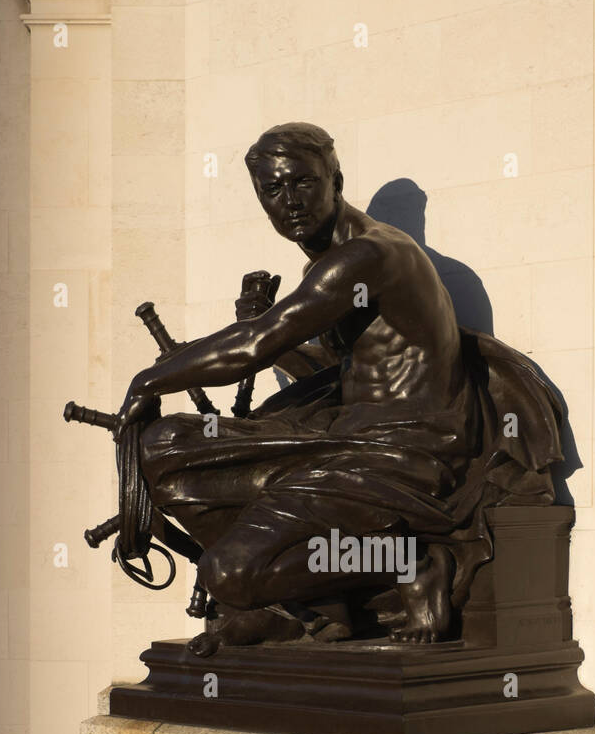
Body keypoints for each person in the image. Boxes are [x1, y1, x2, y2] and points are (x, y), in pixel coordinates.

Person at [115, 123, 563, 652]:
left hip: (402, 451)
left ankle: (410, 563)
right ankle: (311, 608)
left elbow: (253, 345)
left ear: (337, 180)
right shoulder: (330, 265)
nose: (290, 202)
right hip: (345, 434)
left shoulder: (368, 256)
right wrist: (279, 342)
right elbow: (336, 372)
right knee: (163, 446)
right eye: (273, 190)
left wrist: (150, 379)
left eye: (303, 183)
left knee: (226, 574)